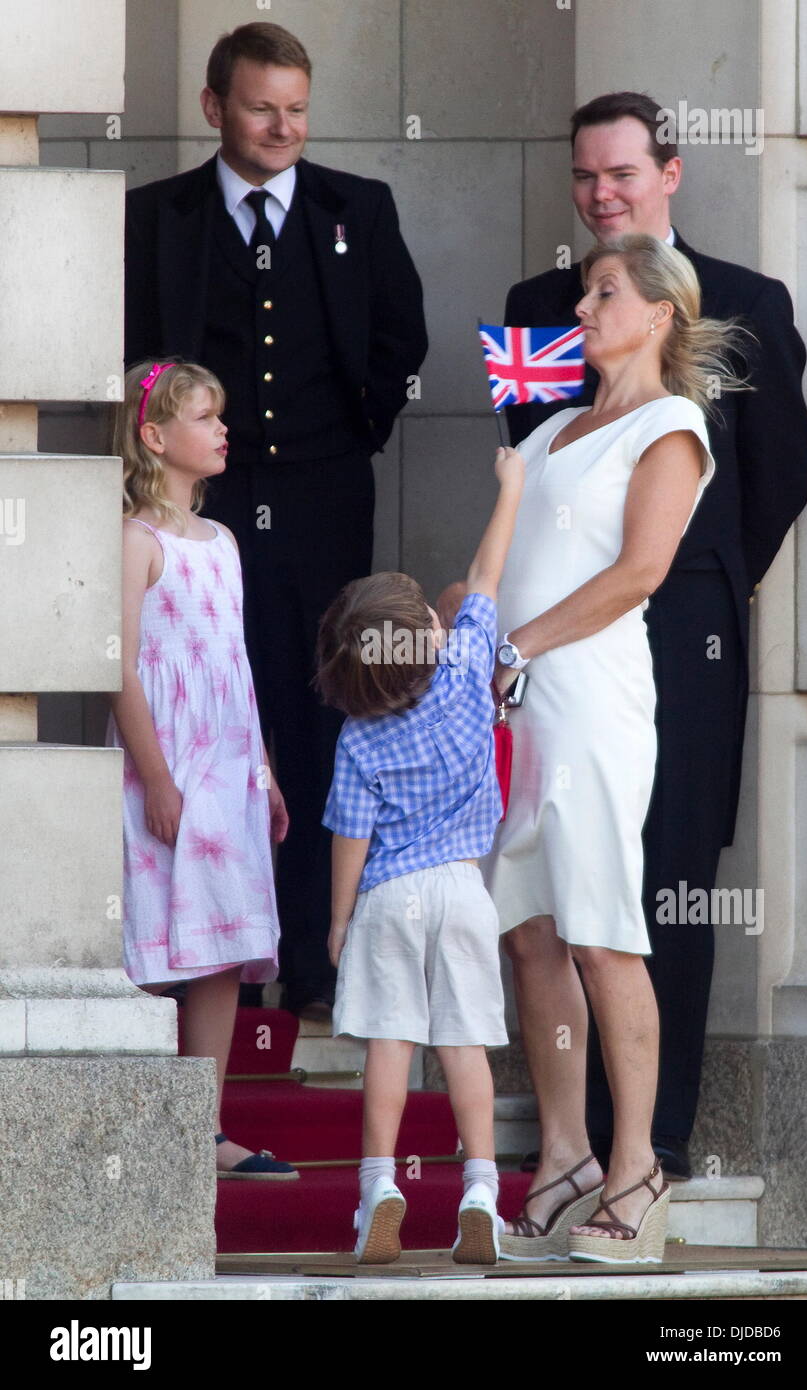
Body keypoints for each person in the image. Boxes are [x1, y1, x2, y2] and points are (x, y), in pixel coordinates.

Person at [501, 92, 807, 1180]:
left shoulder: (751, 302)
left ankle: (659, 1131)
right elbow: (527, 475)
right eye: (586, 177)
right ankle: (572, 1136)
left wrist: (709, 584)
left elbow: (779, 472)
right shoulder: (537, 305)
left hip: (687, 627)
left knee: (668, 868)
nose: (602, 195)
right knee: (548, 879)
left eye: (623, 175)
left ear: (669, 173)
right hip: (559, 639)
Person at [124, 21, 428, 1019]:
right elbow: (126, 354)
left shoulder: (359, 209)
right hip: (194, 512)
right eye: (262, 107)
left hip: (320, 500)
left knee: (319, 708)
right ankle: (200, 952)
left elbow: (401, 339)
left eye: (297, 109)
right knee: (205, 713)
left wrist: (350, 438)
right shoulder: (154, 217)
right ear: (215, 107)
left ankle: (310, 955)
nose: (282, 126)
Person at [484, 234, 752, 1264]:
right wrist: (466, 635)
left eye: (605, 292)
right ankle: (565, 1161)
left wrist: (519, 644)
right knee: (533, 934)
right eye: (584, 292)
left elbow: (642, 571)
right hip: (521, 701)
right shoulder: (550, 425)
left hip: (591, 698)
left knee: (601, 931)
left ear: (659, 314)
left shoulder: (675, 424)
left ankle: (637, 1166)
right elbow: (504, 563)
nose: (583, 308)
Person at [314, 445, 525, 1265]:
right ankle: (480, 1188)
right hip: (465, 892)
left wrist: (337, 921)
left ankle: (380, 1189)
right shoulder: (470, 666)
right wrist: (508, 484)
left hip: (388, 896)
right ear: (431, 638)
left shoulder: (360, 734)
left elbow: (349, 834)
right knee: (463, 1044)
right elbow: (485, 572)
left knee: (390, 1046)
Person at [106, 358, 296, 1180]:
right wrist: (154, 777)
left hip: (228, 770)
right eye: (205, 417)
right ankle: (143, 1119)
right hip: (166, 767)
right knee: (152, 945)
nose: (224, 429)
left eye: (222, 415)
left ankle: (202, 1126)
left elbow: (235, 667)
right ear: (154, 436)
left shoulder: (220, 540)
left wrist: (265, 771)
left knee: (220, 952)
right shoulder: (135, 541)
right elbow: (118, 666)